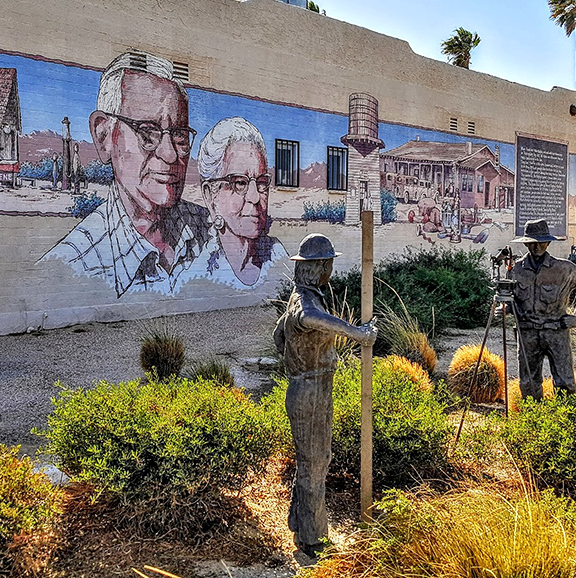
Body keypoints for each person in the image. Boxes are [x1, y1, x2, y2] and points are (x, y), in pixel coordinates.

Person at [42, 51, 209, 297]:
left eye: (180, 135)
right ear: (104, 137)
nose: (171, 154)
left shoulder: (211, 230)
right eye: (147, 132)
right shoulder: (71, 264)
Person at [273, 234, 377, 557]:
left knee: (315, 461)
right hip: (309, 391)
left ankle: (299, 521)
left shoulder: (305, 295)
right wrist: (357, 334)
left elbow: (279, 335)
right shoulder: (305, 302)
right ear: (319, 268)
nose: (330, 270)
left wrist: (297, 358)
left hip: (313, 386)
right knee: (314, 464)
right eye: (328, 264)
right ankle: (313, 540)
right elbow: (307, 319)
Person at [511, 218, 576, 399]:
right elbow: (512, 300)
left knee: (565, 383)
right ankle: (531, 423)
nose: (537, 247)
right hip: (527, 334)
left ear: (548, 242)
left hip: (556, 333)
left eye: (541, 242)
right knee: (528, 383)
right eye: (532, 243)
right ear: (526, 243)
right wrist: (505, 307)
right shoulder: (516, 269)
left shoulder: (564, 269)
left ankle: (566, 421)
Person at [197, 117, 286, 286]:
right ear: (210, 196)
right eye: (240, 183)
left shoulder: (278, 256)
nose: (255, 197)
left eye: (261, 183)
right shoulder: (198, 270)